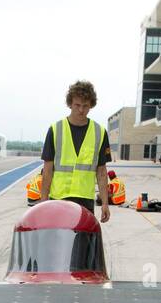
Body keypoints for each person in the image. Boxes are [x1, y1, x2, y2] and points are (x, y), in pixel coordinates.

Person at [39, 80, 112, 223]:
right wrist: (43, 202)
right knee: (58, 243)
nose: (81, 110)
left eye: (85, 106)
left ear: (91, 105)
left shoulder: (100, 132)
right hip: (58, 198)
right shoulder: (55, 130)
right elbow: (47, 170)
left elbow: (102, 171)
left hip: (85, 200)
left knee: (83, 244)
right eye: (77, 105)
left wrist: (105, 203)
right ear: (70, 104)